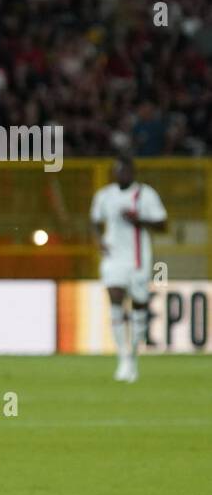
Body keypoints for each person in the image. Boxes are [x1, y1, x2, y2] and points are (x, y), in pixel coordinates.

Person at [90, 156, 167, 382]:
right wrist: (98, 241)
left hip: (138, 260)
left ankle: (132, 355)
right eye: (118, 170)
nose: (121, 174)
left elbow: (163, 225)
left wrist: (139, 220)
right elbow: (94, 221)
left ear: (133, 172)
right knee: (115, 298)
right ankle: (122, 356)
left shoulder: (146, 194)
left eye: (125, 170)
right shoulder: (104, 195)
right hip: (113, 258)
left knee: (139, 306)